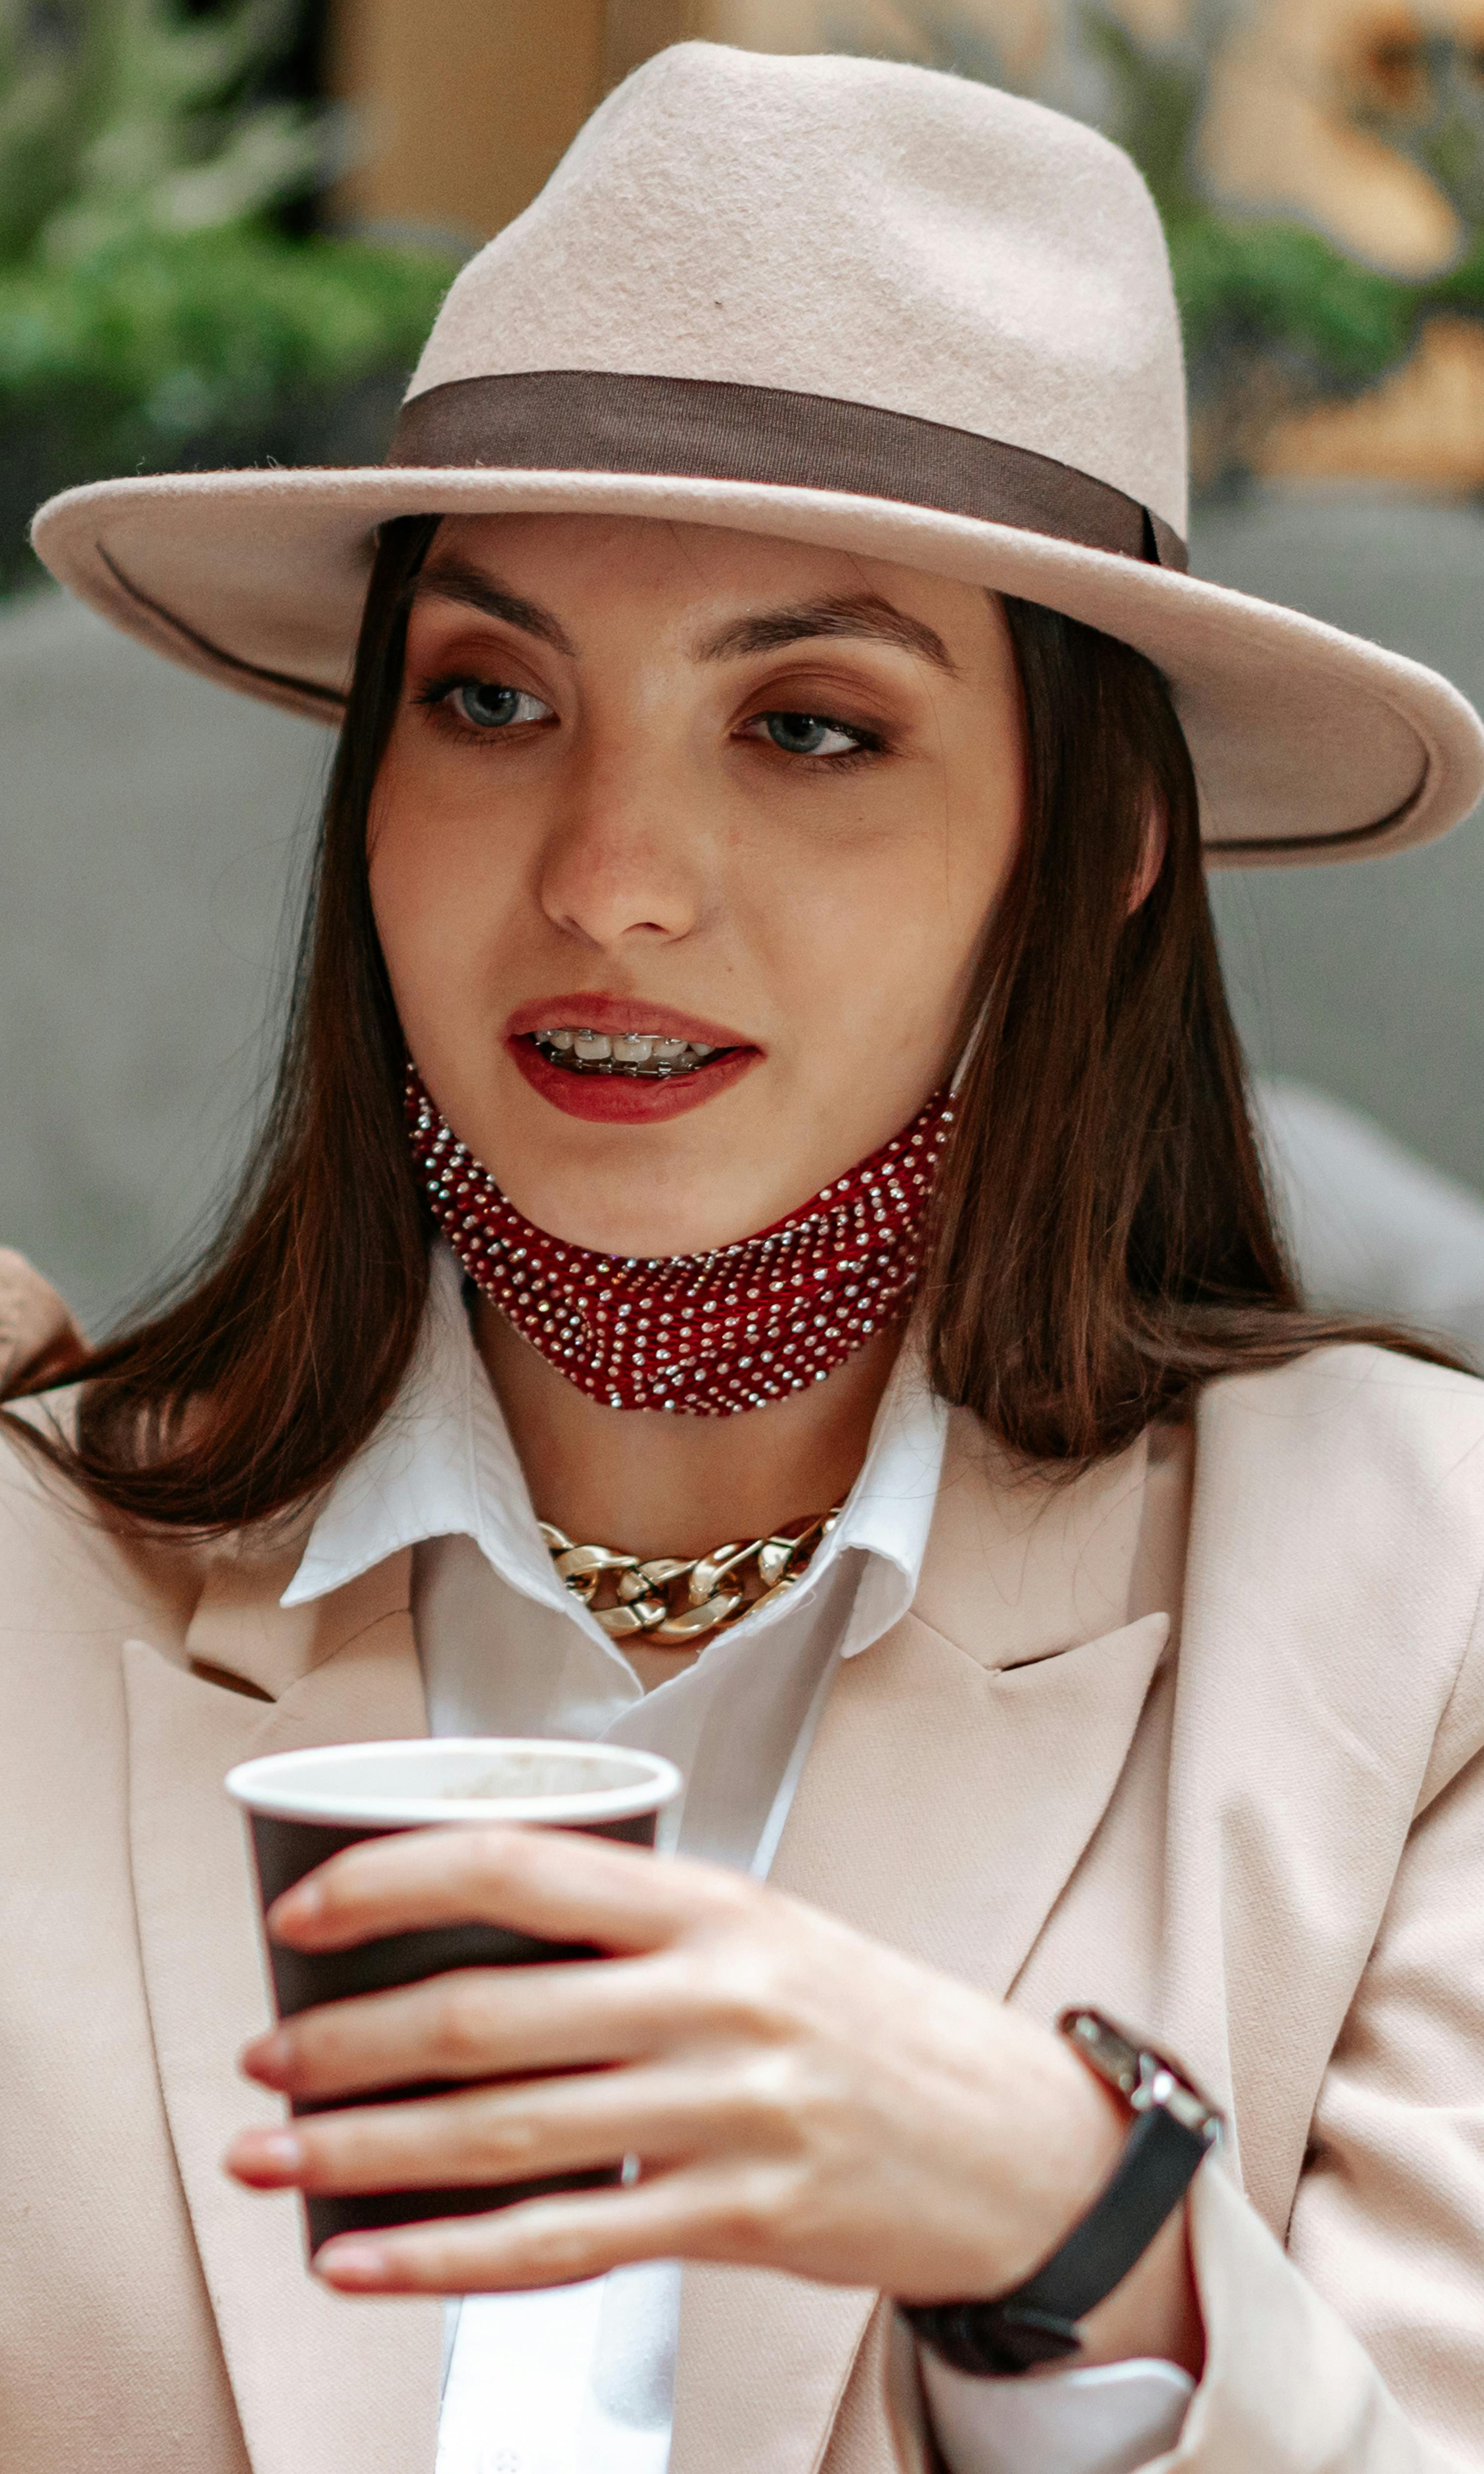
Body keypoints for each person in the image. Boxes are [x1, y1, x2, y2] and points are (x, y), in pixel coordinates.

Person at [5, 41, 1484, 2474]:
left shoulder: (1414, 1615)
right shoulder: (28, 1577)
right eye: (489, 696)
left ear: (1098, 840)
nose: (608, 875)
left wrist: (1063, 2214)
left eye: (811, 727)